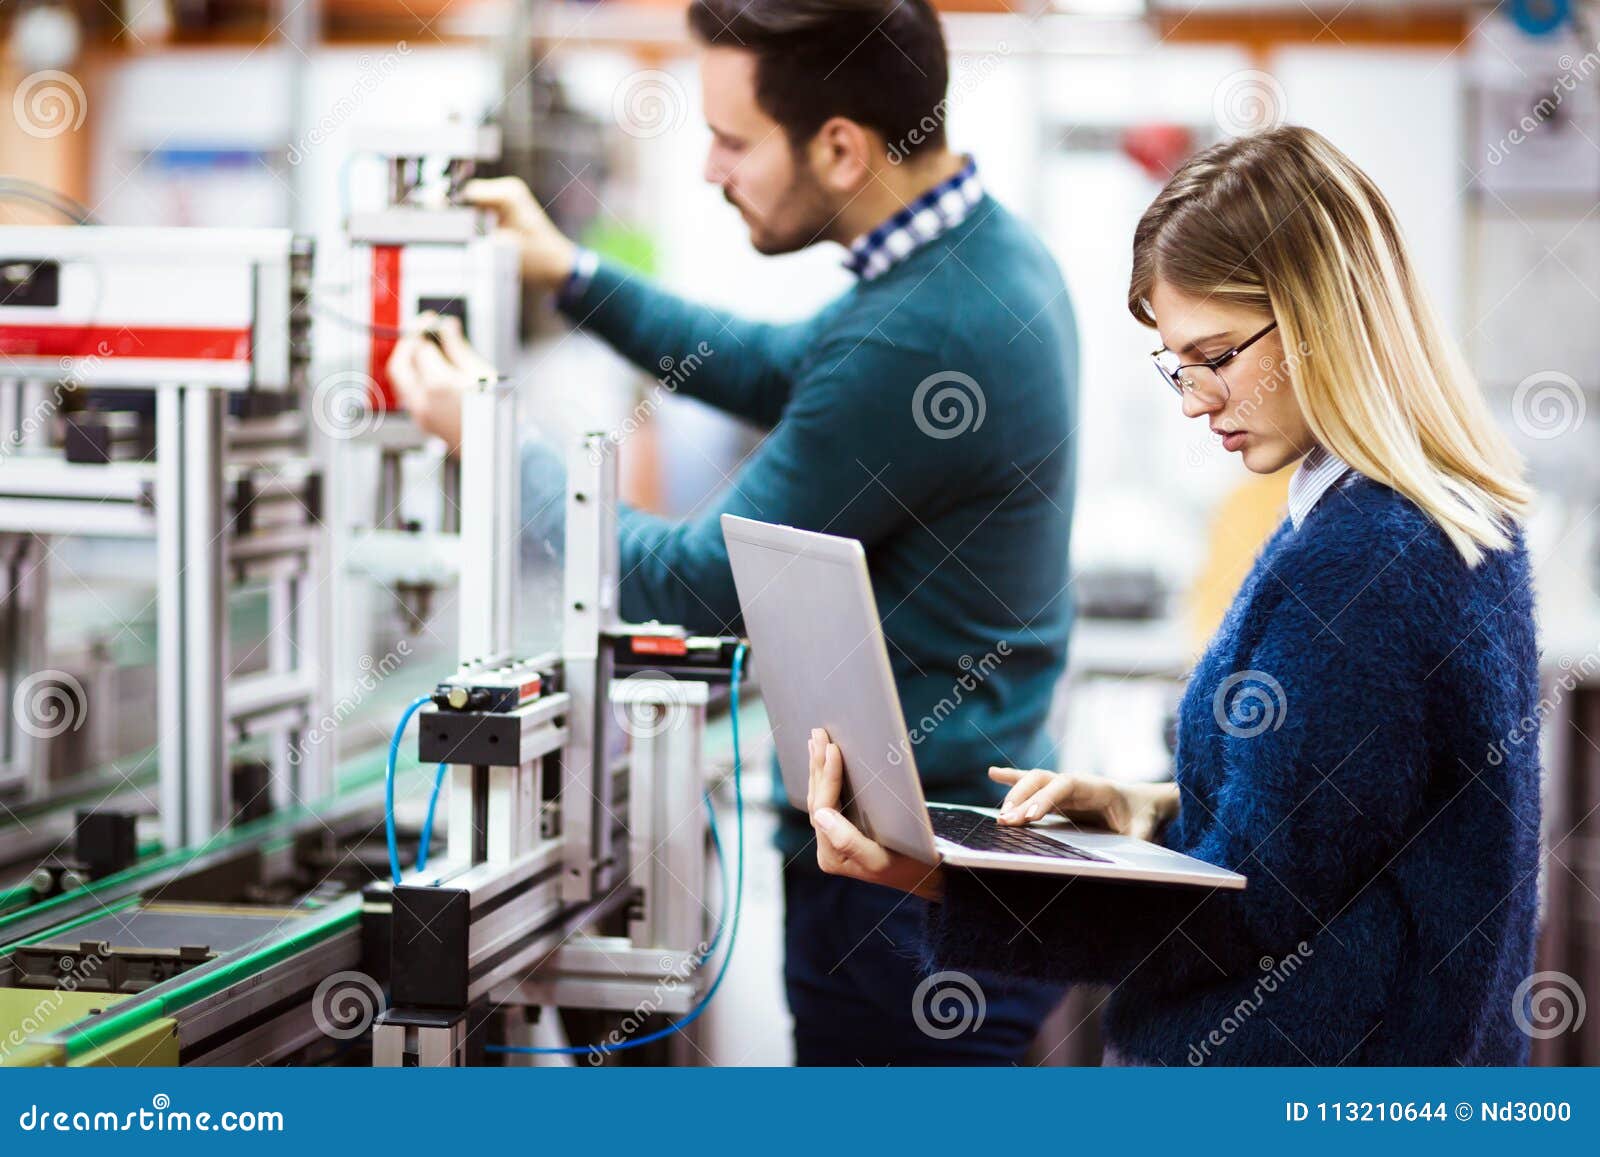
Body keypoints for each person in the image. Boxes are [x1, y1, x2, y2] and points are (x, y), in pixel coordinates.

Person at [386, 0, 1079, 1065]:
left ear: (841, 147)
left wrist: (488, 439)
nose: (711, 166)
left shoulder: (919, 331)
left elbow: (688, 586)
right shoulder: (974, 255)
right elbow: (772, 362)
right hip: (943, 874)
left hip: (905, 896)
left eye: (732, 139)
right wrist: (570, 274)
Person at [804, 124, 1542, 1066]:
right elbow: (1337, 839)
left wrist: (930, 874)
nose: (1195, 400)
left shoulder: (1370, 560)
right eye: (1178, 364)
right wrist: (1144, 808)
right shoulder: (1428, 515)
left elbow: (1241, 914)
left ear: (1323, 314)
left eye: (1218, 355)